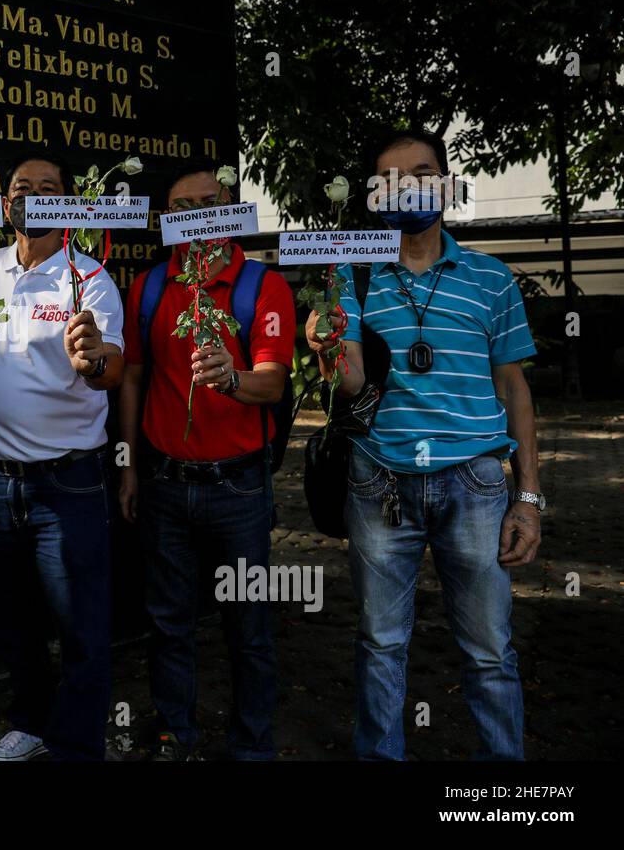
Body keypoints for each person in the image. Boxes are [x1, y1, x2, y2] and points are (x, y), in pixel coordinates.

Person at [308, 128, 542, 760]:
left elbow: (514, 391)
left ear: (445, 181)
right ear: (373, 195)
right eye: (393, 178)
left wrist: (528, 496)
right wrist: (331, 346)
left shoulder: (491, 280)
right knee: (381, 643)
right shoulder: (349, 274)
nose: (410, 187)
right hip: (378, 478)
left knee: (490, 648)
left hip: (476, 484)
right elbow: (352, 382)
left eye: (423, 172)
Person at [117, 157, 294, 761]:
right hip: (165, 484)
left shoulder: (260, 286)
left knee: (248, 629)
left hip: (240, 488)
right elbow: (133, 380)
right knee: (169, 625)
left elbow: (272, 383)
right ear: (165, 217)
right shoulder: (148, 288)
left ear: (229, 209)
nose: (196, 218)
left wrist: (232, 377)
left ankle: (252, 746)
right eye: (182, 209)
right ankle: (176, 738)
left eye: (209, 205)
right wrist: (128, 467)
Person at [0, 151, 125, 761]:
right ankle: (29, 723)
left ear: (68, 202)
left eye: (48, 188)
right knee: (12, 620)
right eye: (20, 188)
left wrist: (94, 359)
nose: (32, 196)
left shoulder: (90, 279)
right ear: (6, 203)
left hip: (69, 484)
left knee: (81, 625)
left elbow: (112, 368)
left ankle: (77, 746)